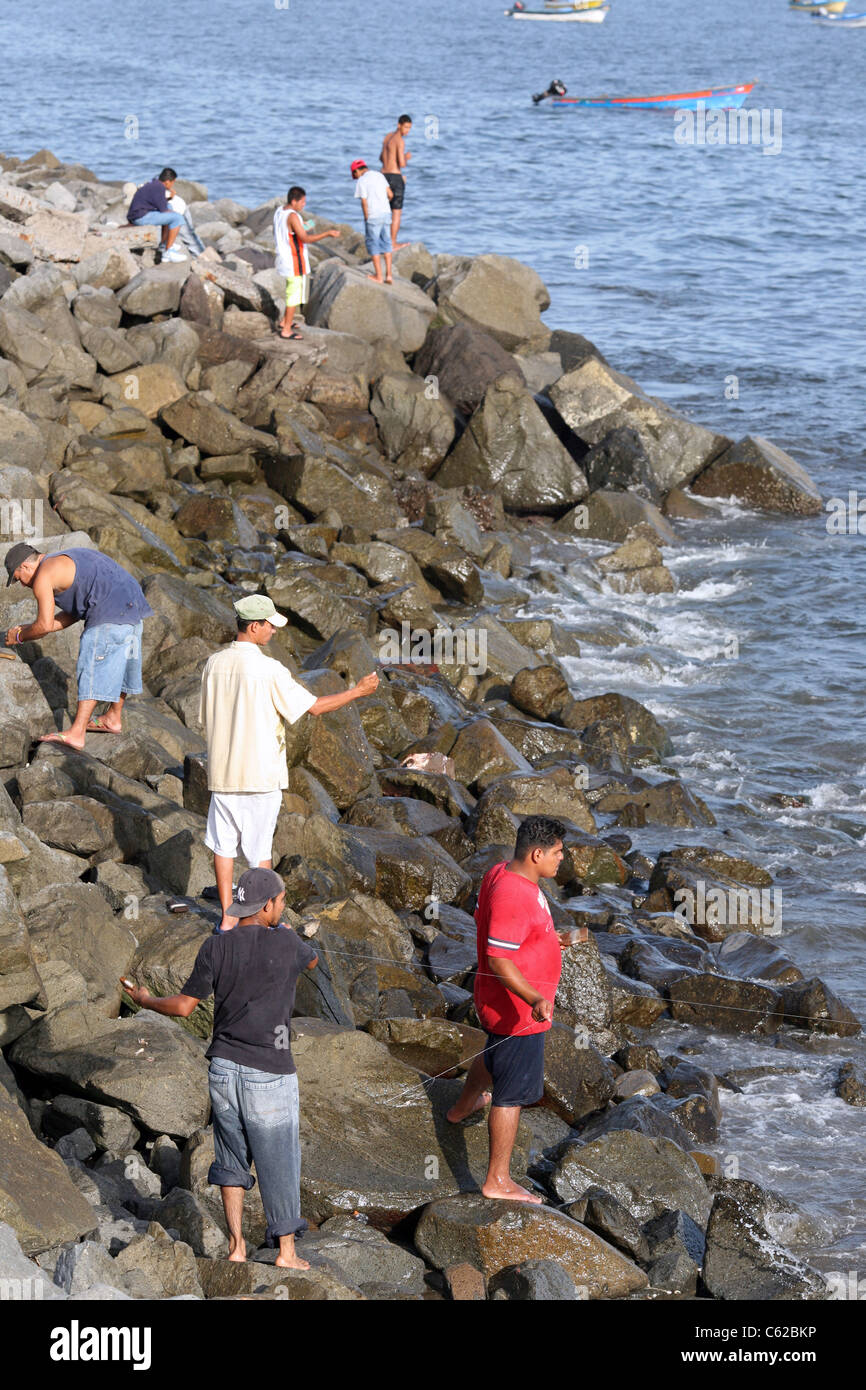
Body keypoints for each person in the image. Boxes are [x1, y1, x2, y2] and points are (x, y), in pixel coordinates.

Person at [123, 867, 318, 1268]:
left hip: (224, 1068)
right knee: (279, 1158)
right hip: (269, 1070)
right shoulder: (286, 941)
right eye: (281, 902)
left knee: (231, 1159)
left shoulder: (215, 947)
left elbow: (182, 1007)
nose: (283, 907)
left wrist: (144, 1000)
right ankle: (287, 1252)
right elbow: (312, 963)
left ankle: (237, 1248)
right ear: (267, 906)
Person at [199, 593, 379, 931]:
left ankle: (227, 916)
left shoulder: (214, 663)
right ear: (254, 626)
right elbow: (314, 707)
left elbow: (205, 718)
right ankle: (257, 917)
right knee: (259, 853)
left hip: (222, 772)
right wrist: (357, 692)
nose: (274, 631)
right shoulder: (269, 669)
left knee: (223, 846)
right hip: (260, 775)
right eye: (269, 625)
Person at [446, 815, 588, 1203]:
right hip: (517, 1011)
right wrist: (535, 999)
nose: (563, 859)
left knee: (495, 1055)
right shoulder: (514, 894)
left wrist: (549, 938)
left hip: (500, 1006)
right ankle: (498, 1179)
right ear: (537, 853)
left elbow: (508, 935)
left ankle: (464, 1104)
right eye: (558, 853)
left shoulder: (502, 873)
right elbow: (498, 960)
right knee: (511, 1093)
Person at [4, 544, 153, 749]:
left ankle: (76, 732)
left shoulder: (43, 576)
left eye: (18, 578)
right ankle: (113, 717)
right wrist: (32, 627)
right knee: (121, 661)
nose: (21, 585)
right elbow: (73, 614)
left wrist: (20, 636)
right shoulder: (66, 558)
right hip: (133, 604)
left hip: (110, 610)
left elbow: (44, 626)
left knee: (93, 665)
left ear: (25, 566)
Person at [273, 186, 340, 340]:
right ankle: (286, 330)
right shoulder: (293, 217)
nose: (304, 205)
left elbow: (292, 231)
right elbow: (305, 238)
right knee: (293, 295)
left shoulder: (279, 211)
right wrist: (327, 233)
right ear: (294, 201)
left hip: (283, 257)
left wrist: (309, 225)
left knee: (291, 290)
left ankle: (285, 321)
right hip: (294, 260)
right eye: (302, 202)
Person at [126, 167, 186, 264]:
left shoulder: (155, 184)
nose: (173, 185)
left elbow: (160, 204)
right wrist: (175, 214)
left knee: (169, 206)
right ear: (167, 182)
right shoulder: (159, 188)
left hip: (138, 214)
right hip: (140, 218)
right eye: (173, 182)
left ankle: (164, 245)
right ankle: (168, 251)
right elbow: (163, 210)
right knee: (177, 218)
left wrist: (170, 198)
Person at [350, 158, 394, 284]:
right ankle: (389, 275)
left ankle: (379, 276)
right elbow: (390, 195)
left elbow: (364, 202)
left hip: (373, 215)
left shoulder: (362, 181)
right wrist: (383, 204)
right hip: (386, 213)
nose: (355, 177)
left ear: (357, 170)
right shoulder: (379, 175)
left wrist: (366, 217)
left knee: (373, 244)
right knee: (386, 242)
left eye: (354, 174)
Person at [380, 115, 412, 250]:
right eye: (406, 127)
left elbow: (381, 157)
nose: (407, 131)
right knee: (396, 212)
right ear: (399, 125)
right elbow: (402, 163)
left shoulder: (387, 137)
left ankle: (382, 241)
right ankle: (392, 243)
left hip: (383, 176)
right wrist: (406, 157)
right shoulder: (400, 141)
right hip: (395, 177)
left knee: (383, 211)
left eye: (409, 128)